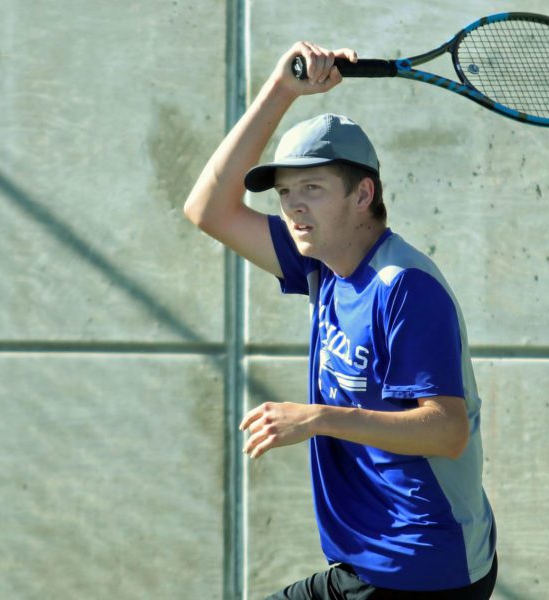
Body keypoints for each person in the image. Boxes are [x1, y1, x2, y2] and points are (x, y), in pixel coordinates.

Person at [183, 42, 497, 599]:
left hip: (422, 571)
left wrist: (318, 418)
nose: (293, 207)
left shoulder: (404, 287)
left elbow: (447, 431)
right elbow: (207, 209)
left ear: (362, 195)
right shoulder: (321, 264)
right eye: (285, 193)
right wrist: (281, 90)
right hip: (377, 564)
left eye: (312, 188)